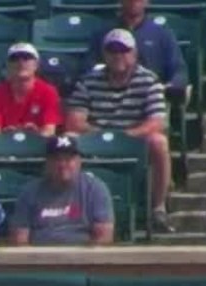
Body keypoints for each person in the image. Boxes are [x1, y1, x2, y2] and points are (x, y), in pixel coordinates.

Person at [66, 29, 174, 232]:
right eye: (112, 50)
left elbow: (157, 122)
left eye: (124, 50)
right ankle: (69, 208)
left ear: (134, 53)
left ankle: (158, 208)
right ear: (104, 54)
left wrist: (125, 137)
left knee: (159, 142)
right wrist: (102, 136)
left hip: (134, 138)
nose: (118, 55)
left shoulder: (149, 80)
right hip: (96, 139)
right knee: (68, 139)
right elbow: (74, 121)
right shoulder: (89, 80)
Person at [9, 135, 115, 246]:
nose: (62, 164)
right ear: (47, 163)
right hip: (40, 253)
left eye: (68, 159)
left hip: (82, 253)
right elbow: (20, 239)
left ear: (79, 162)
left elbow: (104, 237)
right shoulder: (29, 191)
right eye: (57, 159)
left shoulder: (95, 189)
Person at [85, 0, 189, 106]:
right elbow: (89, 68)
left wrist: (171, 86)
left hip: (152, 98)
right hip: (109, 99)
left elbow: (179, 69)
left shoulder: (162, 34)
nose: (133, 1)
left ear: (147, 1)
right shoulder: (103, 33)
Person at [0, 42, 63, 137]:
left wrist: (35, 134)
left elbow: (49, 131)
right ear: (7, 65)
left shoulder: (48, 92)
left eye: (26, 58)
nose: (21, 62)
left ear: (36, 65)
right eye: (14, 59)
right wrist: (5, 135)